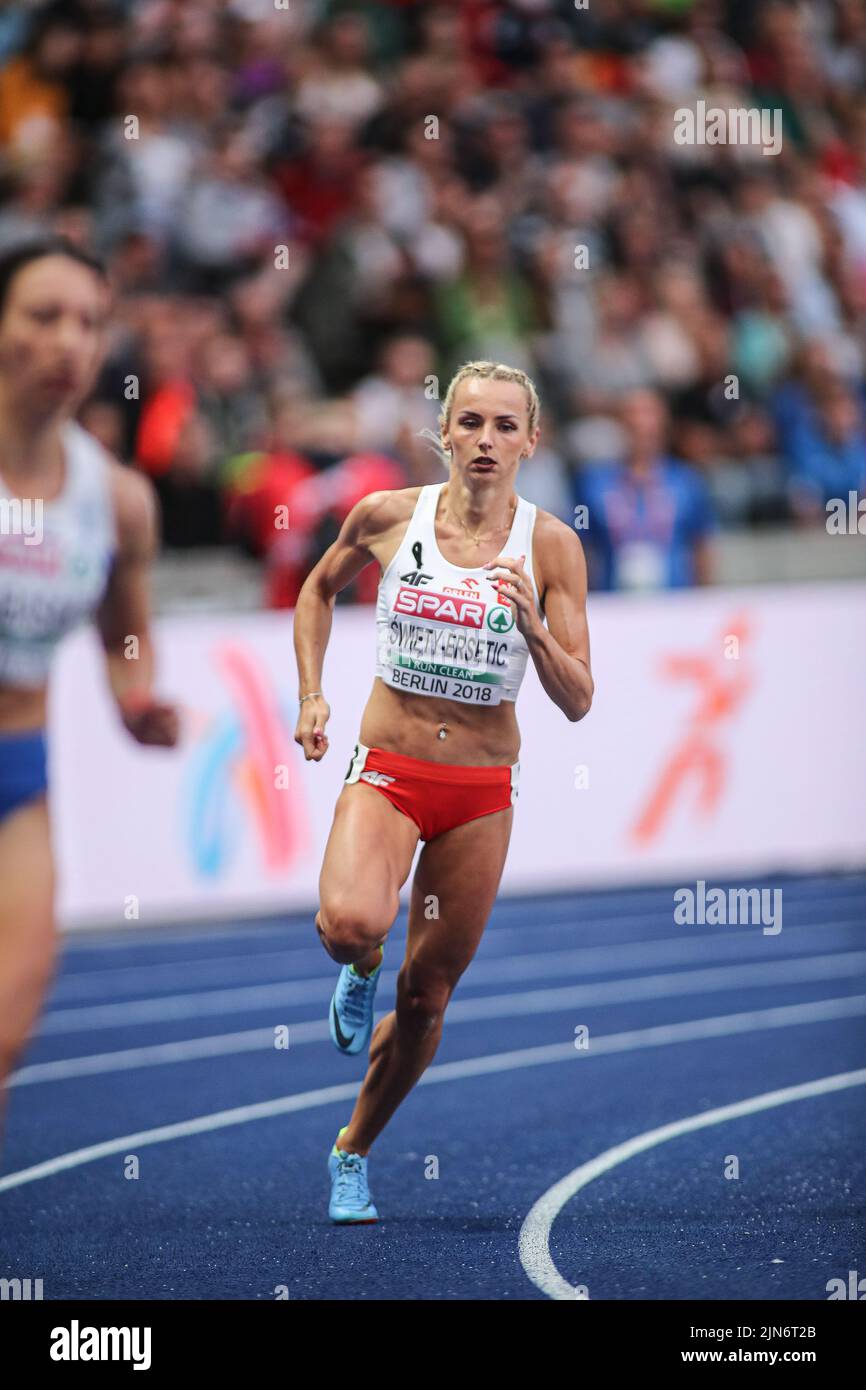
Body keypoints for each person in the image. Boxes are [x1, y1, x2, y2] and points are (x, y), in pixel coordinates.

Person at [292, 360, 594, 1222]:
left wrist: (534, 628)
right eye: (470, 423)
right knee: (351, 922)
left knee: (427, 1000)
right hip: (389, 769)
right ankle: (362, 961)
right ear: (444, 434)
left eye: (506, 426)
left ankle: (351, 1151)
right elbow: (317, 591)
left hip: (479, 792)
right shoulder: (389, 517)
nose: (487, 441)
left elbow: (578, 699)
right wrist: (313, 694)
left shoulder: (551, 546)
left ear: (532, 441)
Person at [0, 237, 179, 1140]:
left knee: (4, 1035)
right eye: (43, 316)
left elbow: (126, 632)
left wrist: (137, 699)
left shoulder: (115, 499)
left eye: (88, 322)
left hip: (19, 782)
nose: (69, 341)